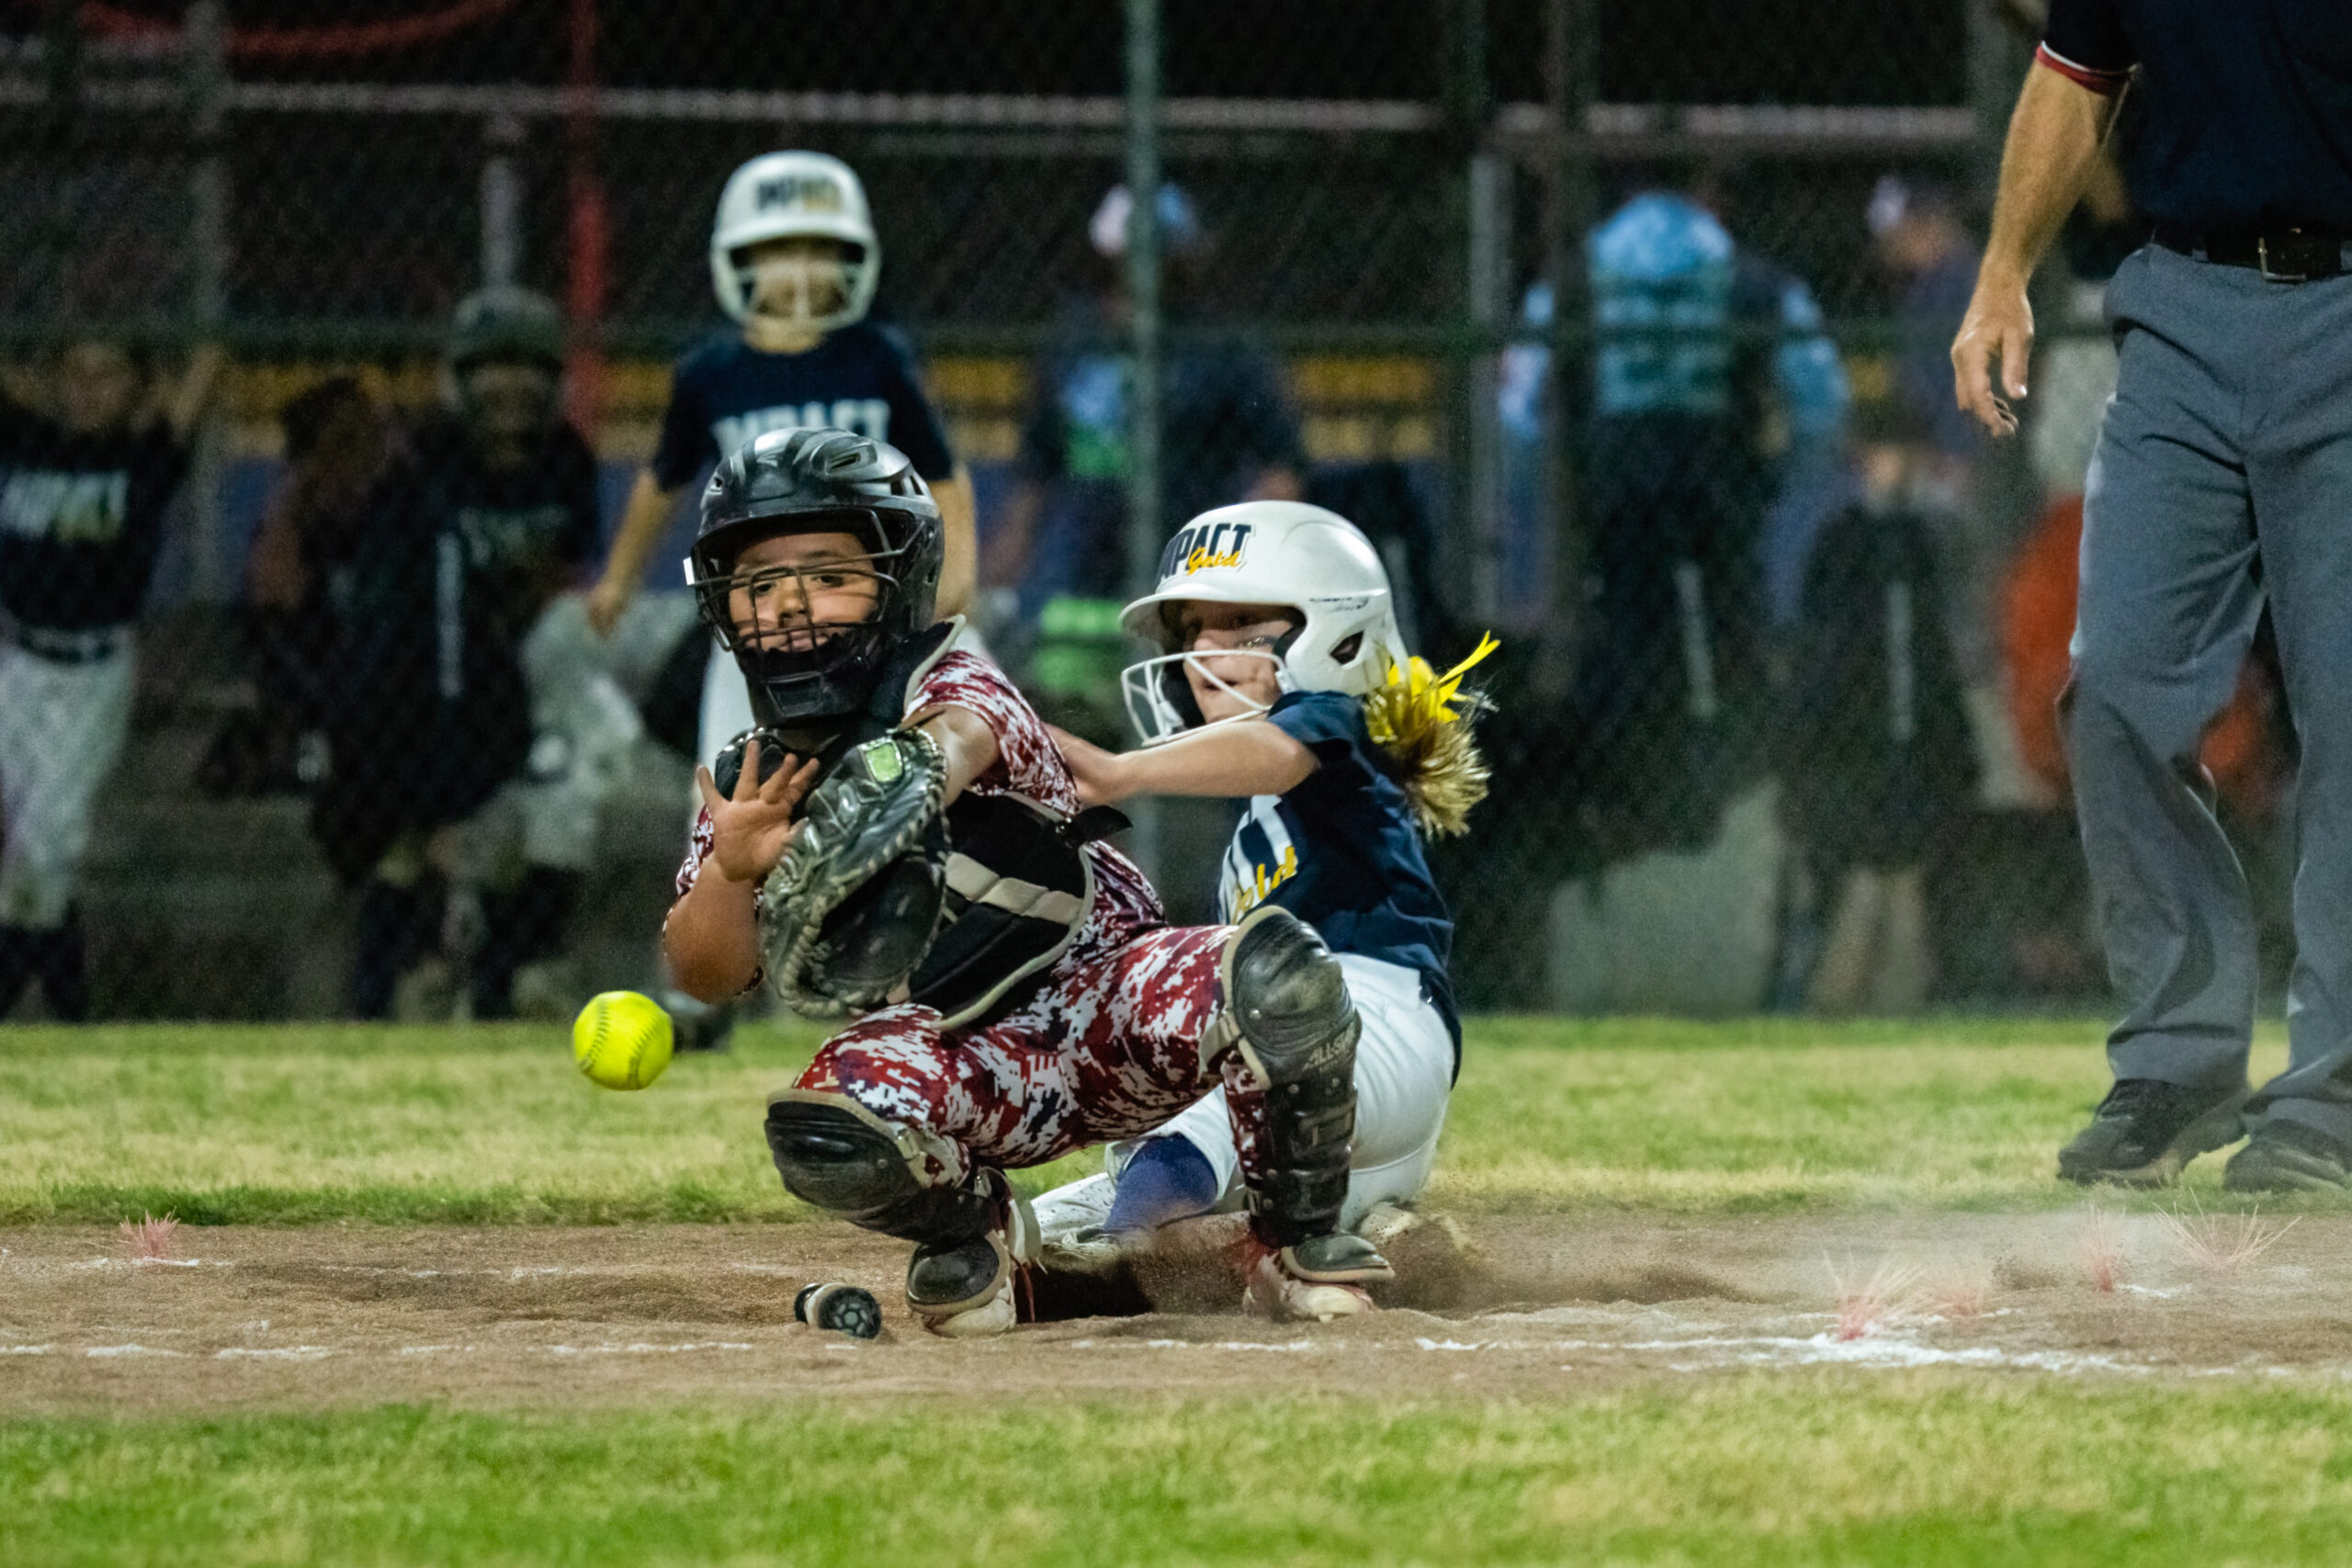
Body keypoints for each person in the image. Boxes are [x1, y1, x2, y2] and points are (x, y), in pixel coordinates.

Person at [663, 430, 1391, 1335]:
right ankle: (978, 1236)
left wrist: (881, 795)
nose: (791, 605)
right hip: (960, 1063)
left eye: (827, 573)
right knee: (821, 1129)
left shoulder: (958, 684)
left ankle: (1293, 1243)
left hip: (1106, 1017)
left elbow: (960, 740)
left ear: (900, 580)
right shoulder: (753, 773)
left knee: (1277, 968)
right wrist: (734, 872)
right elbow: (703, 972)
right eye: (760, 584)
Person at [1952, 0, 2352, 1190]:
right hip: (2183, 306)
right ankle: (2179, 1061)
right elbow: (2074, 71)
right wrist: (2002, 273)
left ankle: (2332, 1094)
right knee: (2116, 686)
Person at [1024, 502, 1492, 1269]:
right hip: (1339, 1116)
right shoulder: (1259, 809)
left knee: (1217, 1083)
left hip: (1371, 1031)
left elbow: (1276, 752)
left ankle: (1127, 1265)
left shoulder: (1345, 724)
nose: (1204, 649)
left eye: (1241, 622)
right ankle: (1359, 1233)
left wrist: (1119, 770)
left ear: (1334, 634)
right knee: (1045, 1225)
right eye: (1191, 631)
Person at [582, 149, 976, 768]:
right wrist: (619, 579)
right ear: (739, 260)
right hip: (760, 612)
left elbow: (944, 474)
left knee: (960, 745)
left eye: (818, 250)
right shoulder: (711, 373)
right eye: (779, 251)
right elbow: (662, 480)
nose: (799, 271)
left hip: (879, 601)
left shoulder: (878, 359)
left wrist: (958, 578)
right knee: (732, 773)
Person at [315, 288, 602, 1020]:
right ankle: (401, 979)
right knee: (421, 828)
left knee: (567, 772)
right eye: (490, 367)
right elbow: (395, 607)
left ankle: (528, 965)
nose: (509, 384)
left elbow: (566, 577)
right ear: (460, 380)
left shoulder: (565, 457)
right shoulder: (424, 463)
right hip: (429, 671)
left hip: (525, 656)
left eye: (528, 367)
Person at [1574, 175, 1843, 860]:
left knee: (1627, 641)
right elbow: (1821, 395)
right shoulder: (1750, 278)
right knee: (1729, 640)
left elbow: (1516, 407)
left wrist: (1564, 482)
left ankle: (1625, 798)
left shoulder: (1581, 274)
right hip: (1723, 494)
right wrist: (1785, 478)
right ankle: (1723, 789)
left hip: (1619, 498)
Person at [987, 184, 1306, 741]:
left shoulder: (1220, 346)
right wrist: (996, 581)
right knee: (1073, 735)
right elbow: (1036, 473)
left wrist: (1250, 573)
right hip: (1089, 582)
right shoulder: (1074, 341)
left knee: (1198, 739)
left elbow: (1280, 465)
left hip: (1191, 578)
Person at [0, 333, 220, 1019]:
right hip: (15, 665)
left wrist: (203, 338)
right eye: (76, 372)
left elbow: (208, 361)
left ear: (136, 388)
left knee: (48, 843)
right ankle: (74, 1022)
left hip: (90, 673)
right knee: (31, 857)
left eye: (109, 374)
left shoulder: (141, 459)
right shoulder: (29, 440)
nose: (89, 388)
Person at [1777, 400, 1977, 1014]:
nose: (1906, 468)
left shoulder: (1917, 541)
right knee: (1869, 880)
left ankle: (1893, 1012)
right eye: (1893, 454)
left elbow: (1930, 653)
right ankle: (1837, 1008)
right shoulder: (1844, 543)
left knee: (1903, 882)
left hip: (1907, 741)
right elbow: (1827, 657)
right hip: (1857, 747)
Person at [199, 375, 392, 798]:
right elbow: (270, 611)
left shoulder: (393, 501)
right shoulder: (295, 505)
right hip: (310, 655)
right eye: (340, 442)